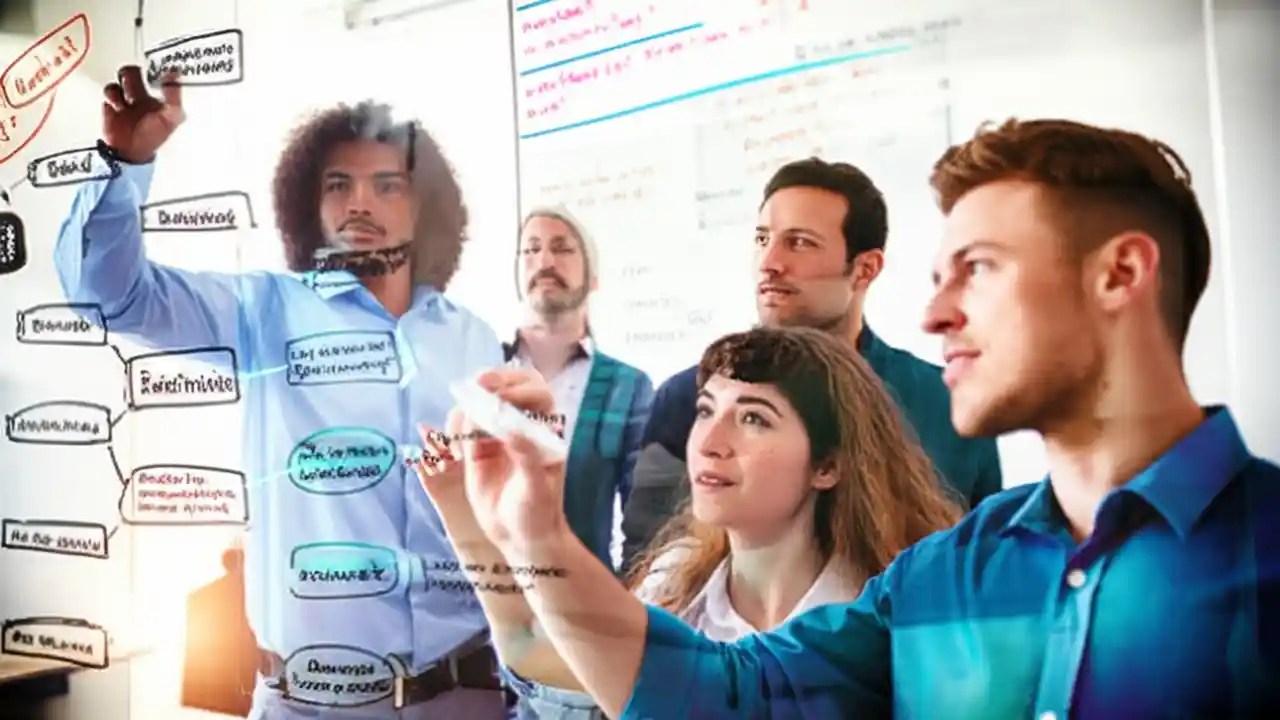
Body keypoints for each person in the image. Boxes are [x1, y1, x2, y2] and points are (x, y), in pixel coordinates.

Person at [440, 118, 1280, 718]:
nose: (937, 314)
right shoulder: (944, 575)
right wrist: (531, 532)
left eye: (980, 269)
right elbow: (723, 690)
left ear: (1120, 274)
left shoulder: (1263, 551)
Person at [55, 66, 510, 717]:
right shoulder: (264, 311)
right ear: (309, 205)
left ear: (423, 206)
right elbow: (108, 296)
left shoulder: (475, 339)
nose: (359, 203)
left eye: (387, 185)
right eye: (338, 184)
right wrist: (124, 164)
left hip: (465, 697)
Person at [414, 326, 962, 719]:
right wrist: (467, 511)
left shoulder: (891, 618)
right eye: (705, 410)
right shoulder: (675, 582)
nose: (710, 442)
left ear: (828, 465)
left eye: (753, 418)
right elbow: (528, 647)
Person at [621, 158, 1002, 570]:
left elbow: (984, 566)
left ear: (865, 269)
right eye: (763, 239)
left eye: (800, 242)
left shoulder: (946, 402)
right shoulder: (689, 398)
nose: (770, 262)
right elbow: (648, 568)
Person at [505, 205, 653, 570]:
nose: (544, 260)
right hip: (480, 599)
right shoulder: (479, 367)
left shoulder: (628, 387)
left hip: (581, 599)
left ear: (593, 278)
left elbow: (647, 526)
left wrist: (623, 598)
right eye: (531, 249)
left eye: (562, 248)